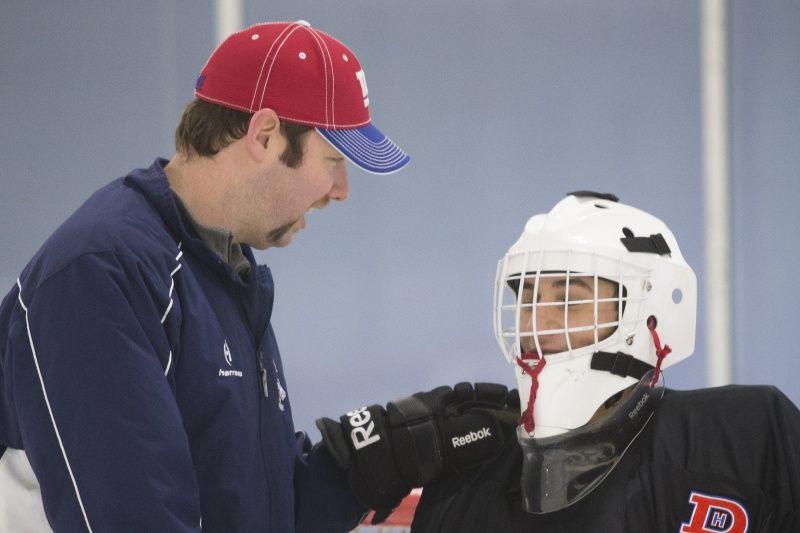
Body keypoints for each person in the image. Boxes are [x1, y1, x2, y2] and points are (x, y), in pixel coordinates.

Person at [0, 20, 422, 532]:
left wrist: (381, 456)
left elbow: (258, 509)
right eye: (334, 159)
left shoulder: (222, 274)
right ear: (265, 135)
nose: (341, 189)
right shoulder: (101, 275)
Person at [411, 191, 800, 532]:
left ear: (650, 315)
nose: (536, 323)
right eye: (528, 296)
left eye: (570, 299)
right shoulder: (470, 476)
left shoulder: (742, 441)